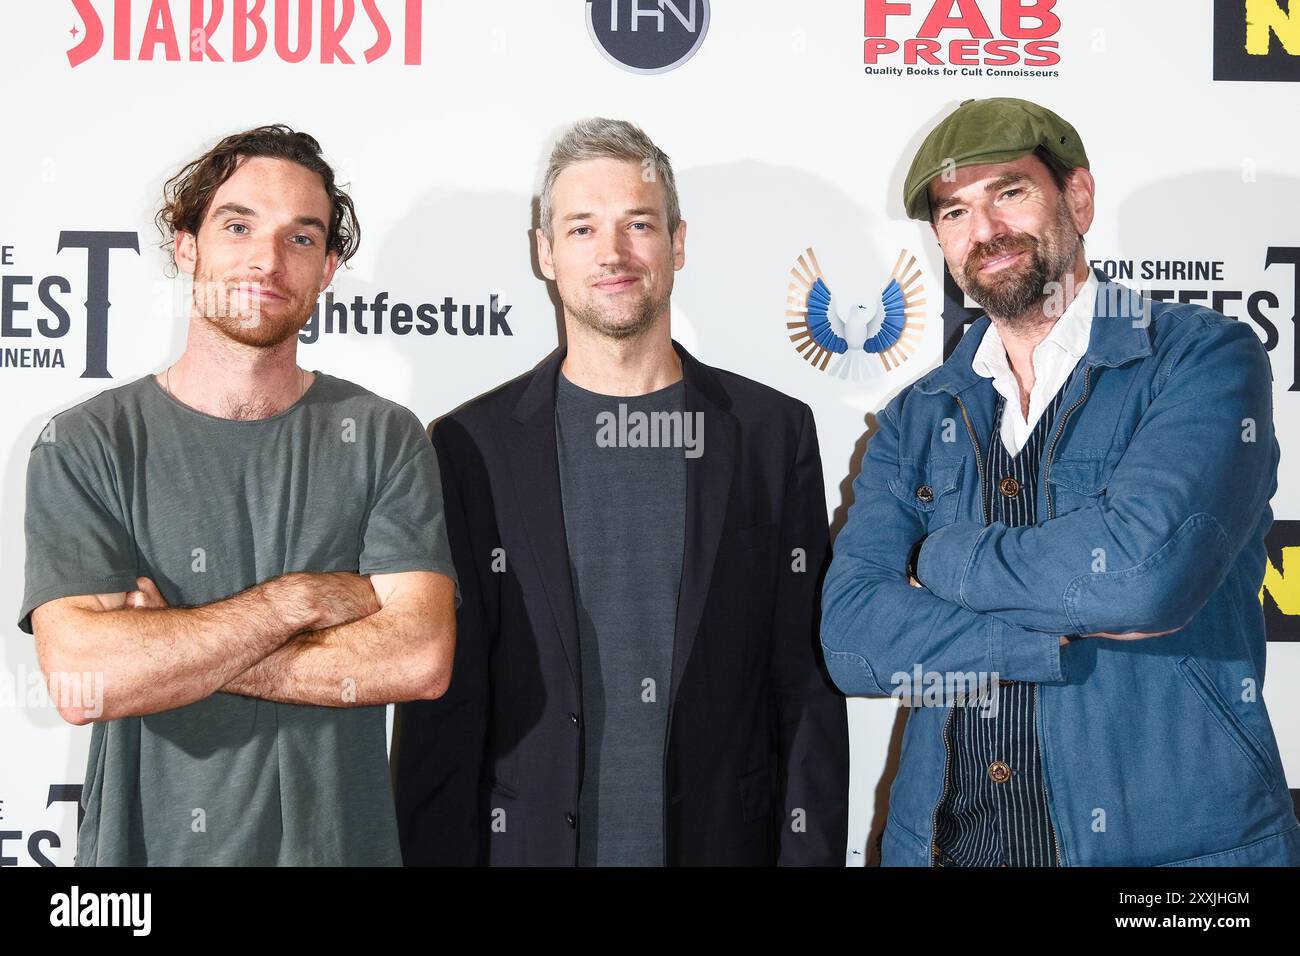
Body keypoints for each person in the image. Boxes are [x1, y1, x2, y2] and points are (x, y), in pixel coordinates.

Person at [821, 96, 1300, 866]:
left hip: (1170, 859)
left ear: (1077, 197)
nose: (984, 232)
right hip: (948, 846)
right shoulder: (917, 414)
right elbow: (850, 640)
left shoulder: (1201, 360)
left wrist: (936, 563)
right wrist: (1055, 633)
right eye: (953, 212)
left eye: (1009, 193)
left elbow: (1142, 577)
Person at [394, 117, 848, 866]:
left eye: (638, 224)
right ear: (544, 253)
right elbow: (449, 704)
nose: (612, 254)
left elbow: (804, 687)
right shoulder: (472, 445)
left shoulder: (772, 434)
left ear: (677, 242)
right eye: (581, 229)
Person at [18, 124, 459, 866]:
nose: (266, 260)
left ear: (327, 268)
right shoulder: (87, 442)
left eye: (301, 238)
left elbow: (418, 657)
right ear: (187, 245)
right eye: (237, 225)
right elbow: (84, 679)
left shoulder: (383, 436)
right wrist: (302, 602)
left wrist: (173, 653)